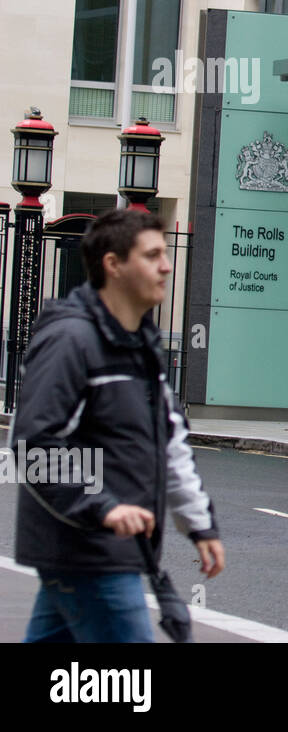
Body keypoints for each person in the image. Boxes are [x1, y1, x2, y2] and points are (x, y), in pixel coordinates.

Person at [14, 209, 224, 643]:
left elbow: (170, 446)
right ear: (113, 264)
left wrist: (199, 523)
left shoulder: (141, 346)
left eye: (165, 255)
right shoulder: (72, 340)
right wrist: (105, 506)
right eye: (152, 256)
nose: (166, 266)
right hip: (89, 549)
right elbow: (35, 445)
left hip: (105, 550)